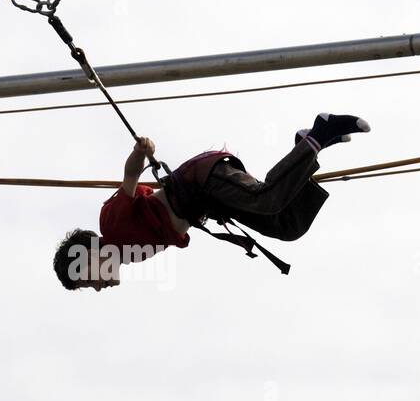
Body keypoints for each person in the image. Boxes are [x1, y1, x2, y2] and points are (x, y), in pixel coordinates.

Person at [52, 113, 370, 290]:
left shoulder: (111, 223)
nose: (96, 286)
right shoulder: (131, 256)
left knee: (267, 200)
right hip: (211, 203)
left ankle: (319, 134)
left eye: (87, 279)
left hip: (202, 181)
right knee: (286, 226)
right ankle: (306, 145)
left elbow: (130, 179)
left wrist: (140, 152)